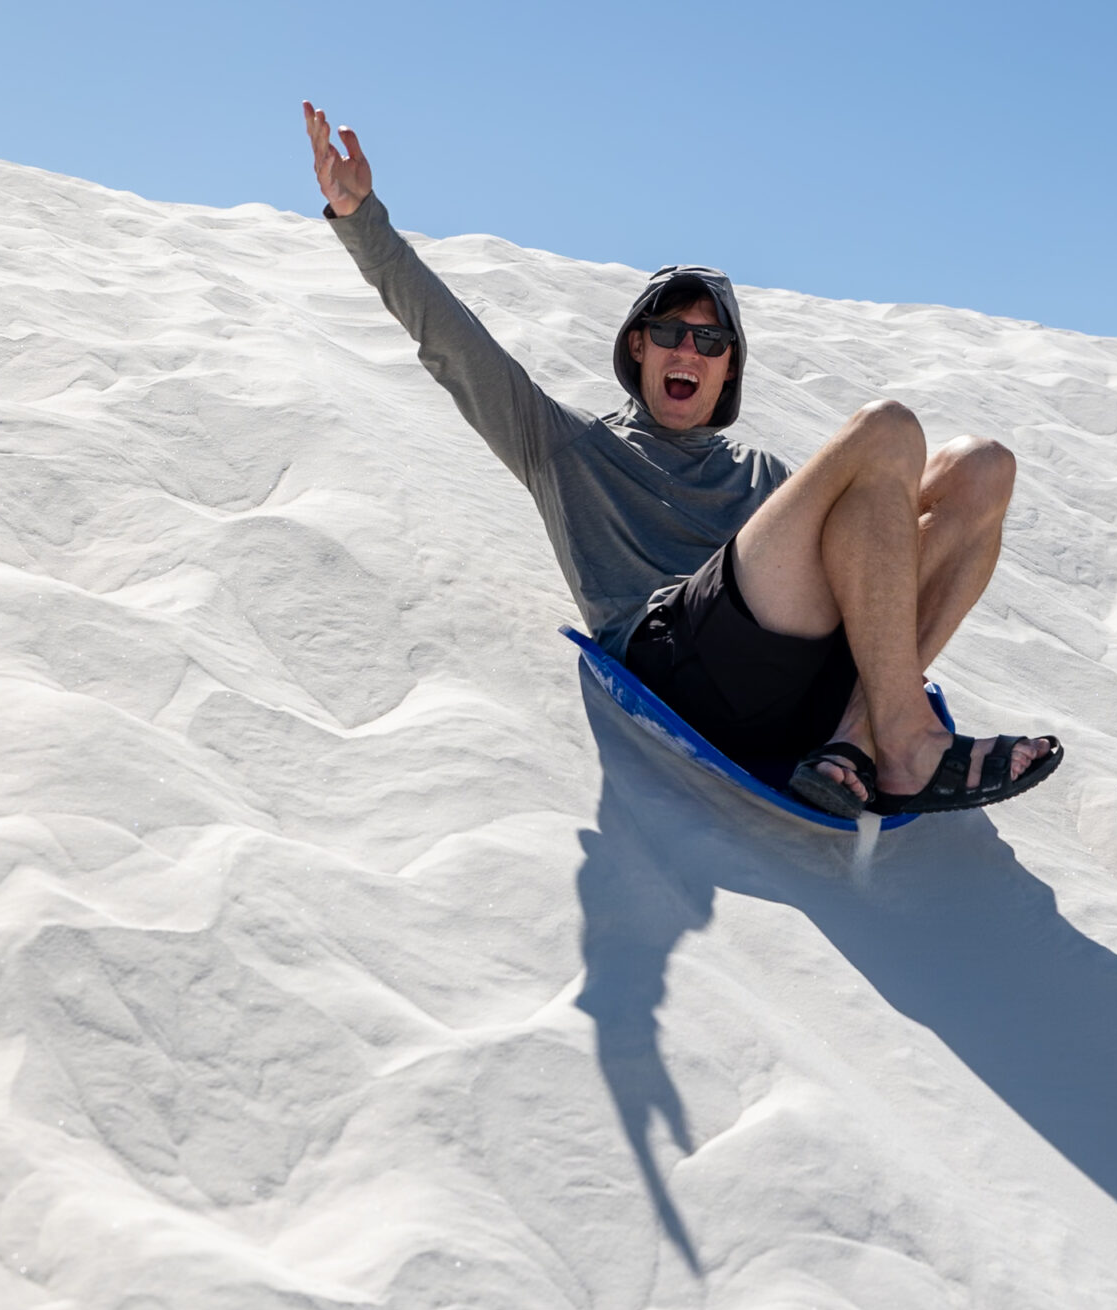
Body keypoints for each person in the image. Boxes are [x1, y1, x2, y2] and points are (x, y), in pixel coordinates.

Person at [303, 102, 1059, 817]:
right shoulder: (570, 448)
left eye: (709, 341)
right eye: (668, 331)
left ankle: (861, 739)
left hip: (801, 688)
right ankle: (903, 741)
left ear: (729, 369)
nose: (685, 350)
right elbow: (454, 346)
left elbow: (867, 552)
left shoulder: (766, 478)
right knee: (887, 429)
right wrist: (360, 219)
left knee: (982, 465)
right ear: (638, 346)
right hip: (682, 663)